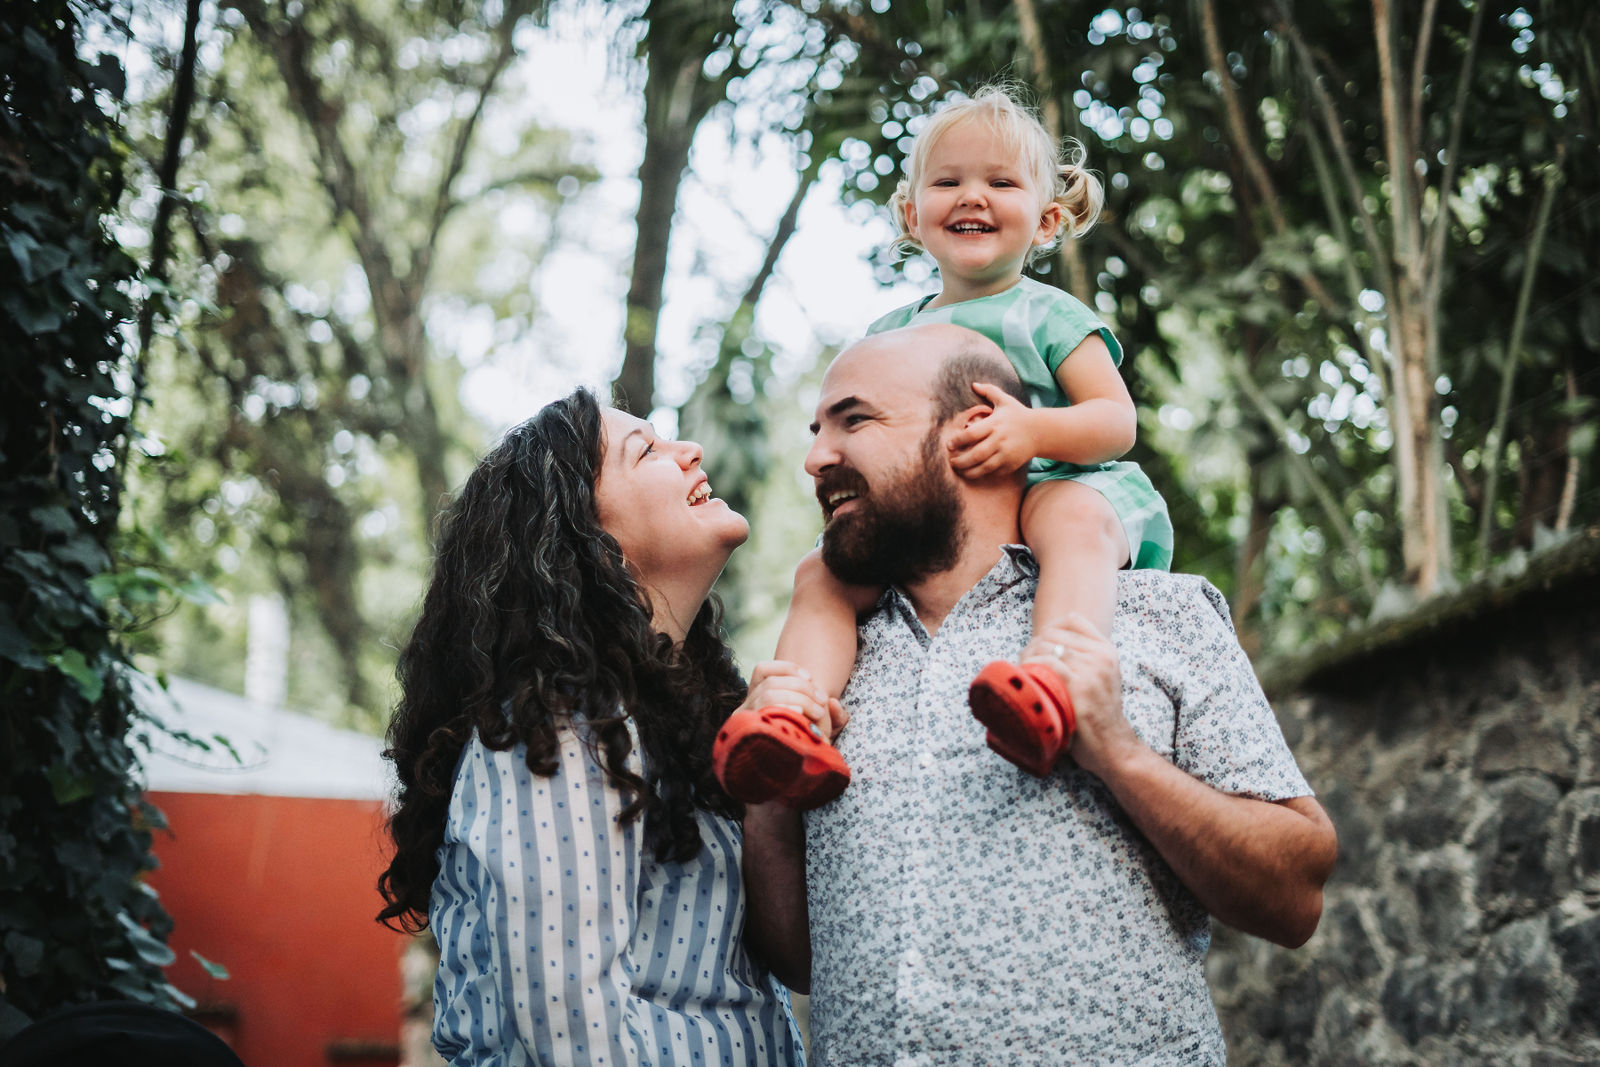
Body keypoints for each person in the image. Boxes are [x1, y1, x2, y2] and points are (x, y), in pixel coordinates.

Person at [742, 324, 1338, 1065]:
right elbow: (798, 961)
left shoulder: (1158, 615)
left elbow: (1296, 896)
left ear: (974, 425)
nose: (815, 457)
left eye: (853, 419)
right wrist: (767, 792)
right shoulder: (818, 664)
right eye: (816, 429)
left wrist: (1119, 752)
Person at [712, 86, 1174, 806]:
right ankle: (793, 715)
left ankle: (1052, 679)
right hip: (939, 519)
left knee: (1069, 520)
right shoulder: (892, 329)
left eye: (1000, 182)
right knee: (821, 573)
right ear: (911, 214)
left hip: (1063, 483)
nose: (972, 197)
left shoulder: (1047, 312)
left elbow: (1115, 420)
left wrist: (1032, 431)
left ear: (1048, 218)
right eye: (948, 180)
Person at [377, 390, 805, 1066]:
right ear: (590, 536)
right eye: (648, 450)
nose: (688, 450)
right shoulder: (555, 728)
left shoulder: (671, 722)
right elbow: (572, 1026)